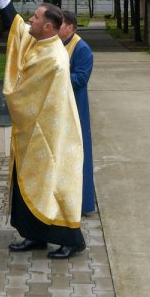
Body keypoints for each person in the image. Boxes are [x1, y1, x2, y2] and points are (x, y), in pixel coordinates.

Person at [0, 0, 86, 258]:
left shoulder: (54, 59)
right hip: (35, 133)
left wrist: (12, 96)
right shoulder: (40, 41)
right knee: (29, 181)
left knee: (54, 183)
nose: (29, 19)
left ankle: (72, 240)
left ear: (48, 26)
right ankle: (34, 235)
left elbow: (20, 92)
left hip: (52, 137)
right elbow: (15, 27)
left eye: (35, 17)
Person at [59, 11, 97, 216]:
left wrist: (56, 77)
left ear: (71, 27)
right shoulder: (59, 44)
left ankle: (83, 203)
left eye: (61, 24)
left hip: (76, 108)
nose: (57, 28)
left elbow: (81, 78)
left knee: (79, 153)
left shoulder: (81, 48)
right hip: (61, 106)